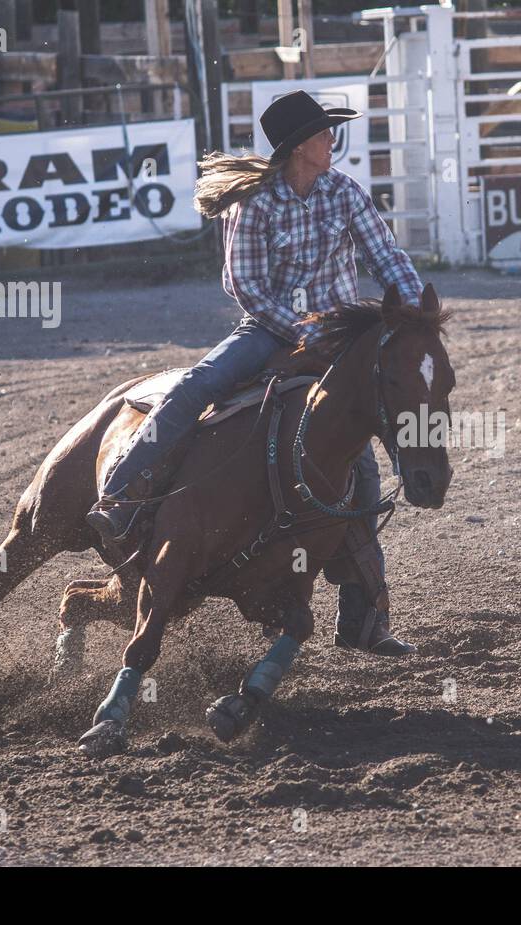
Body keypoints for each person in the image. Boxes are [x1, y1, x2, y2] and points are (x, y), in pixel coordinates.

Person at [87, 90, 420, 656]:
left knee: (356, 458)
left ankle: (364, 614)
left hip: (336, 338)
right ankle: (120, 497)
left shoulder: (344, 193)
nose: (331, 142)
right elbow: (244, 286)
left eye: (329, 133)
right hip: (269, 330)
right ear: (297, 149)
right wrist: (300, 328)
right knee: (197, 386)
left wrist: (413, 315)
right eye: (321, 134)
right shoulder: (256, 201)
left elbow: (387, 258)